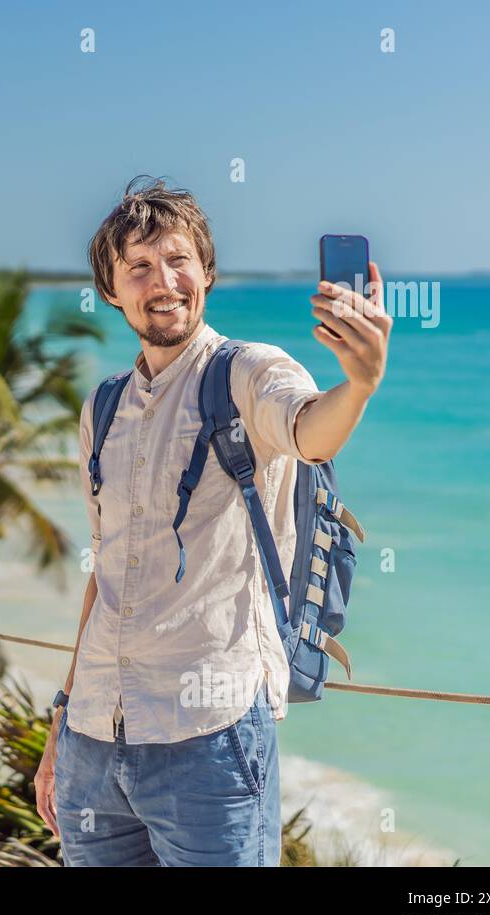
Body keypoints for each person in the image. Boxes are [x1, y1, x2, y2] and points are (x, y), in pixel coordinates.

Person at [34, 176, 391, 866]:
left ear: (206, 273)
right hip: (93, 740)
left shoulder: (249, 373)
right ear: (111, 289)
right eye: (138, 267)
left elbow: (310, 432)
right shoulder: (102, 408)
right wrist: (62, 722)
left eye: (178, 260)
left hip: (209, 737)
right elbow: (106, 575)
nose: (162, 282)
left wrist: (359, 384)